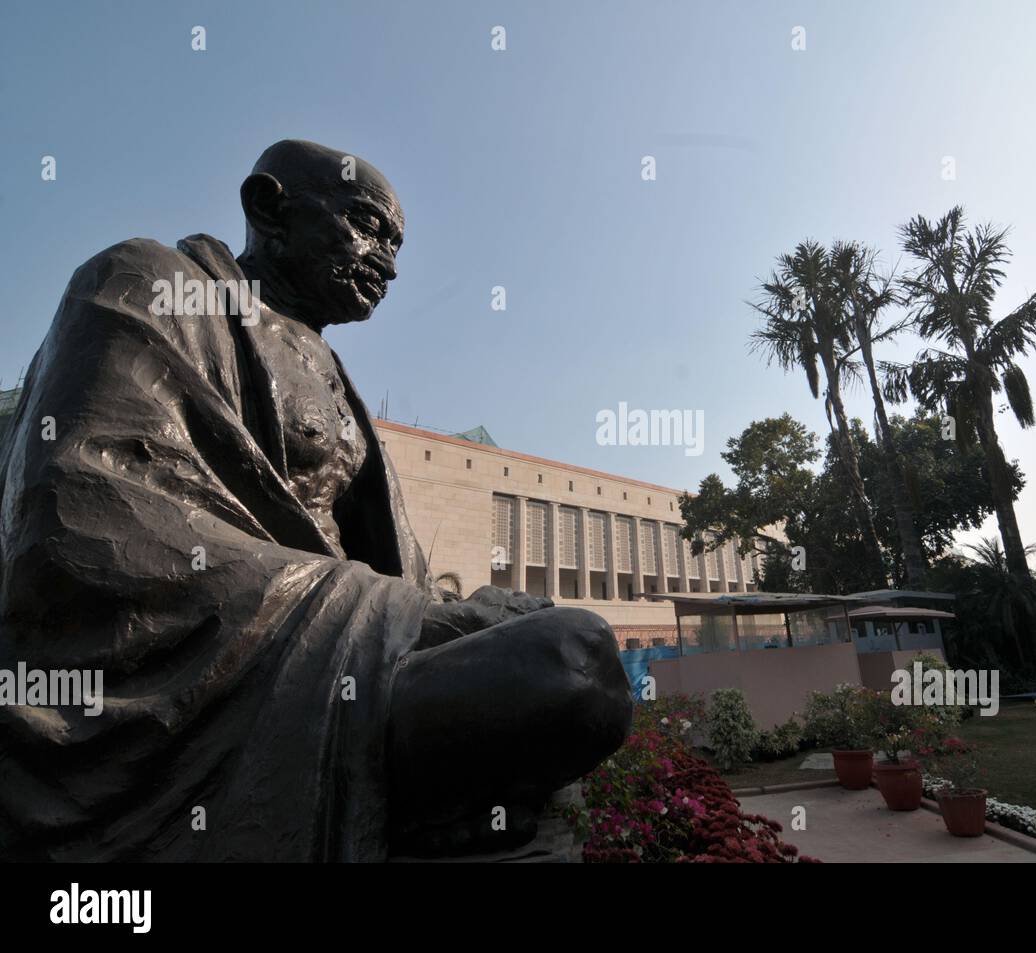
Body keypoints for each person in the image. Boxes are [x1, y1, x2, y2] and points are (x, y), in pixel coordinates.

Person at [0, 140, 631, 861]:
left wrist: (463, 614)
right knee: (569, 663)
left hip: (346, 659)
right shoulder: (145, 284)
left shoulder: (334, 376)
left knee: (569, 657)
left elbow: (400, 578)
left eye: (397, 244)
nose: (386, 262)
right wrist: (410, 620)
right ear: (268, 207)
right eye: (366, 226)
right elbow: (79, 515)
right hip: (211, 692)